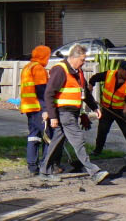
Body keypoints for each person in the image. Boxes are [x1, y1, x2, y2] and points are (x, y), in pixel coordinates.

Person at [40, 45, 105, 180]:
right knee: (78, 141)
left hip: (72, 113)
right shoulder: (60, 70)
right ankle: (94, 172)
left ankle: (44, 171)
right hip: (64, 113)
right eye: (82, 59)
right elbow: (49, 94)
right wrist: (52, 116)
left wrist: (94, 107)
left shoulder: (78, 72)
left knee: (56, 142)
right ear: (74, 57)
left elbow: (85, 93)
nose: (84, 62)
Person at [91, 60, 126, 166]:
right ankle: (97, 151)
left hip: (121, 110)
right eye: (125, 71)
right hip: (107, 109)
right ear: (120, 70)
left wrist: (124, 114)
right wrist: (90, 85)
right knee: (102, 130)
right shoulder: (109, 75)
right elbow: (94, 78)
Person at [19, 45, 52, 176]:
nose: (48, 60)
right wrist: (46, 109)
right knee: (49, 136)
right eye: (48, 57)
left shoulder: (28, 67)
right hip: (39, 108)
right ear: (43, 57)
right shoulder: (38, 69)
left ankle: (32, 166)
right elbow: (42, 91)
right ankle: (46, 165)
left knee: (33, 136)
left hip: (29, 107)